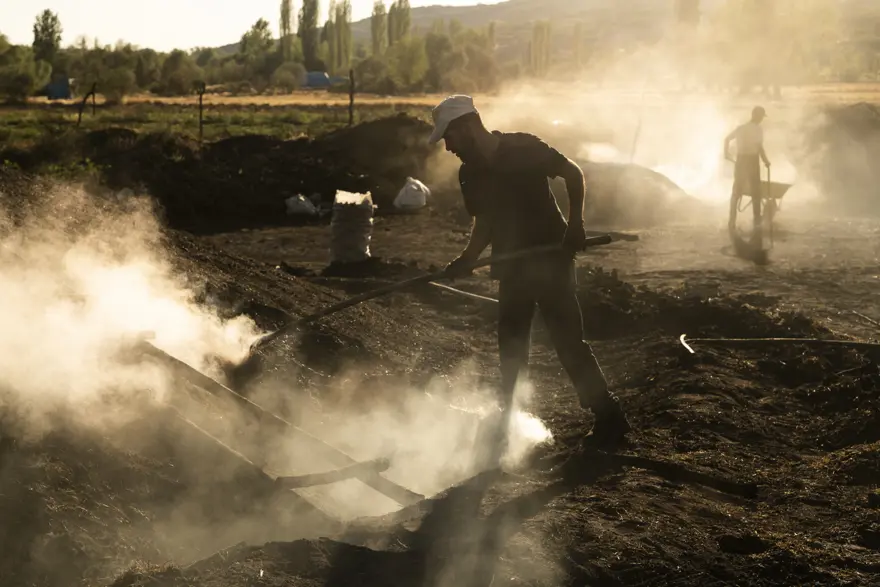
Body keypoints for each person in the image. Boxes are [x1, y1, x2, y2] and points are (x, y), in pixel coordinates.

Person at [428, 94, 631, 457]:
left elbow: (573, 174)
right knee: (511, 346)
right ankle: (507, 424)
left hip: (551, 257)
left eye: (449, 137)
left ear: (469, 126)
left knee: (568, 341)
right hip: (512, 266)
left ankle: (608, 416)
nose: (448, 147)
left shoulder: (524, 148)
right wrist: (467, 258)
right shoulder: (470, 172)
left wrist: (575, 226)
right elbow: (485, 221)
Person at [724, 106, 771, 245]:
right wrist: (766, 161)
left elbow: (726, 139)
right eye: (761, 116)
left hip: (741, 160)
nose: (762, 119)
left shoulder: (741, 128)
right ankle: (757, 222)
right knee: (756, 193)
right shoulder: (757, 130)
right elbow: (759, 147)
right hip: (752, 160)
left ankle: (731, 221)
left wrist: (725, 153)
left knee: (736, 191)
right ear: (757, 116)